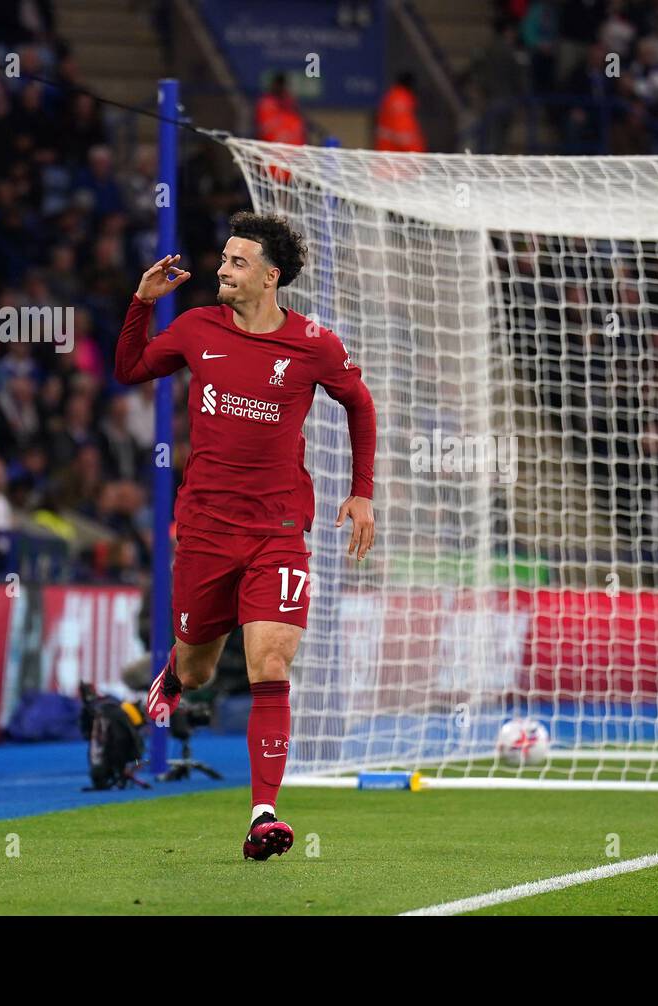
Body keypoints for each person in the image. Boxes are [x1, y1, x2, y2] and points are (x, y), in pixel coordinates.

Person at [114, 212, 376, 860]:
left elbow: (360, 404)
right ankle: (173, 676)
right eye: (224, 258)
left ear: (269, 276)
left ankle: (264, 813)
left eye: (236, 261)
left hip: (280, 527)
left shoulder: (315, 343)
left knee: (269, 661)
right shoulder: (196, 327)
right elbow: (130, 370)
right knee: (201, 669)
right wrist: (141, 306)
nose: (222, 270)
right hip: (205, 525)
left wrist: (362, 489)